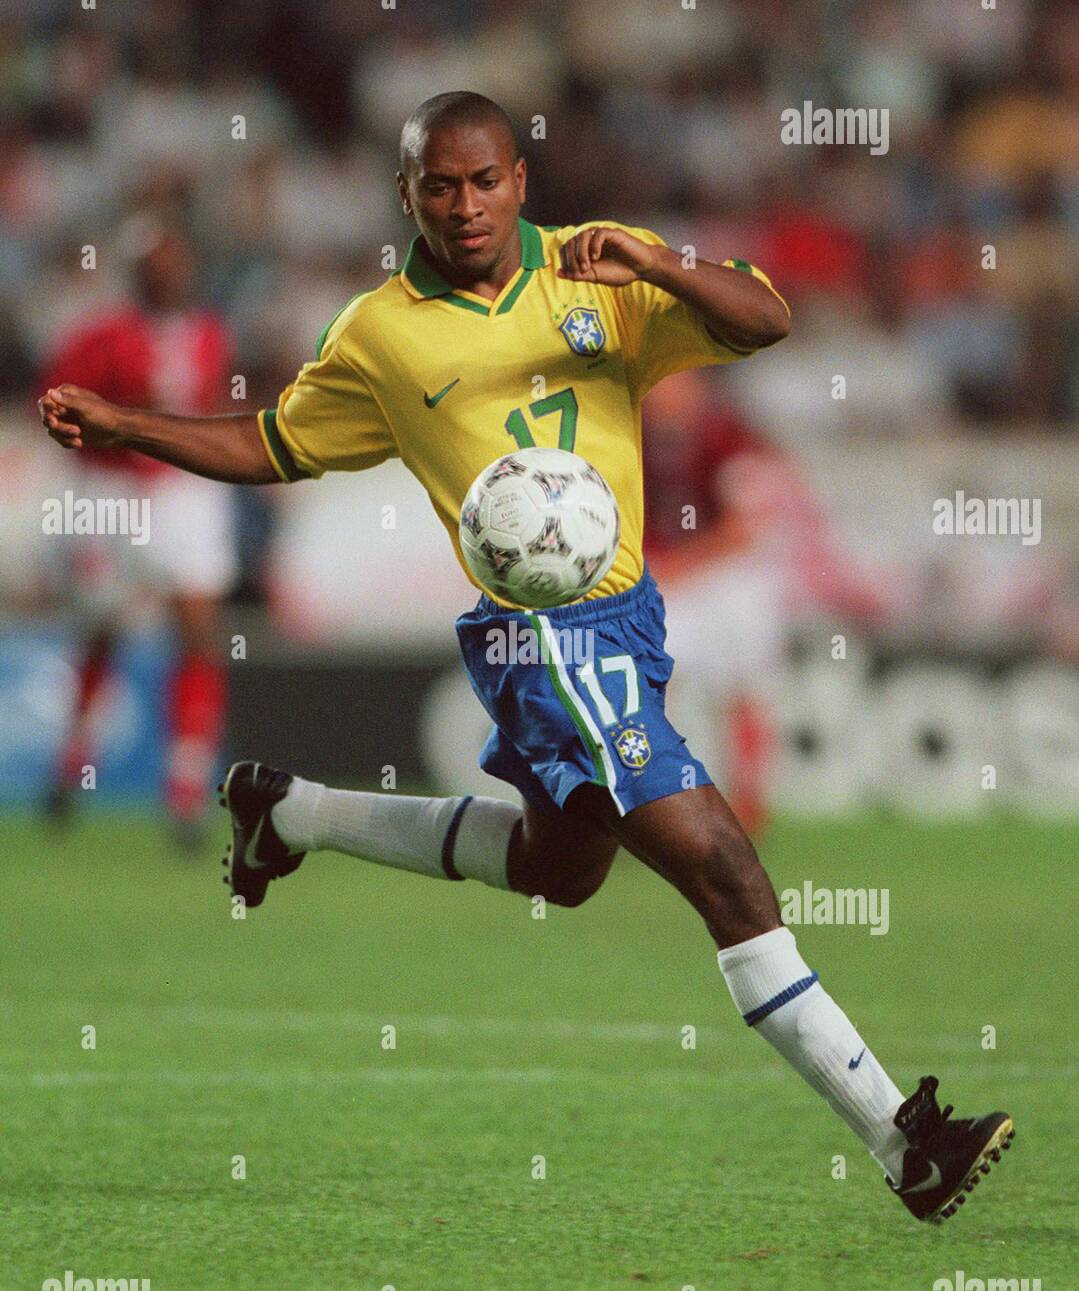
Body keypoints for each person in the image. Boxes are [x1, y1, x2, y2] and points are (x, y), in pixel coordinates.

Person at [38, 91, 1012, 1223]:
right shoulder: (379, 333)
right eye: (438, 186)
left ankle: (289, 812)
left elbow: (762, 319)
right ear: (406, 194)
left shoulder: (596, 277)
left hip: (626, 613)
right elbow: (273, 443)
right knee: (725, 870)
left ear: (518, 181)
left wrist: (656, 262)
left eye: (484, 181)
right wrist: (125, 427)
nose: (464, 206)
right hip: (541, 635)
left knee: (566, 869)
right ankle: (904, 1141)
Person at [39, 217, 235, 844]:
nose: (172, 272)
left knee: (198, 632)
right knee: (105, 631)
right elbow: (55, 408)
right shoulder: (101, 337)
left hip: (184, 493)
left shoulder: (209, 334)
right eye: (160, 262)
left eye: (179, 261)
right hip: (116, 495)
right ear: (139, 272)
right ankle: (71, 767)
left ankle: (185, 791)